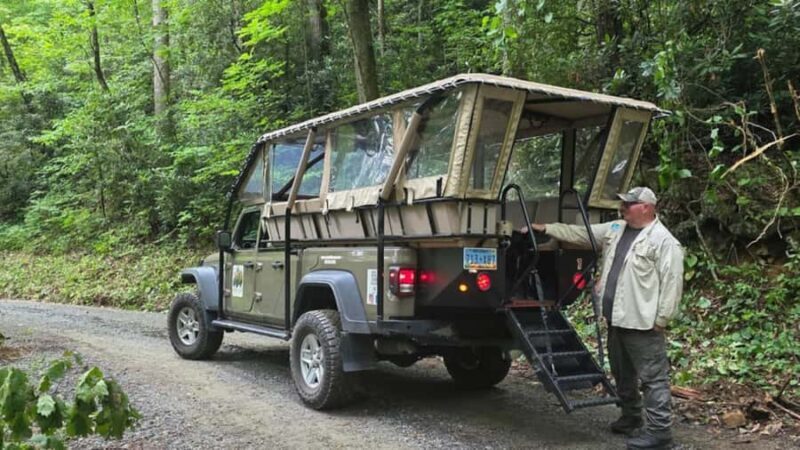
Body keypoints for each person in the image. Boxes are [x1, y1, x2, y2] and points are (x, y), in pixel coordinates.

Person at [529, 186, 683, 450]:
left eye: (629, 205)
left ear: (646, 207)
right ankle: (631, 417)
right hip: (616, 319)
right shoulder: (616, 229)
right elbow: (580, 234)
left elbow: (672, 283)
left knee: (653, 378)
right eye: (622, 204)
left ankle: (660, 434)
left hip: (643, 323)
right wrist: (546, 228)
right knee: (623, 373)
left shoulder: (663, 241)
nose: (622, 209)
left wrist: (662, 319)